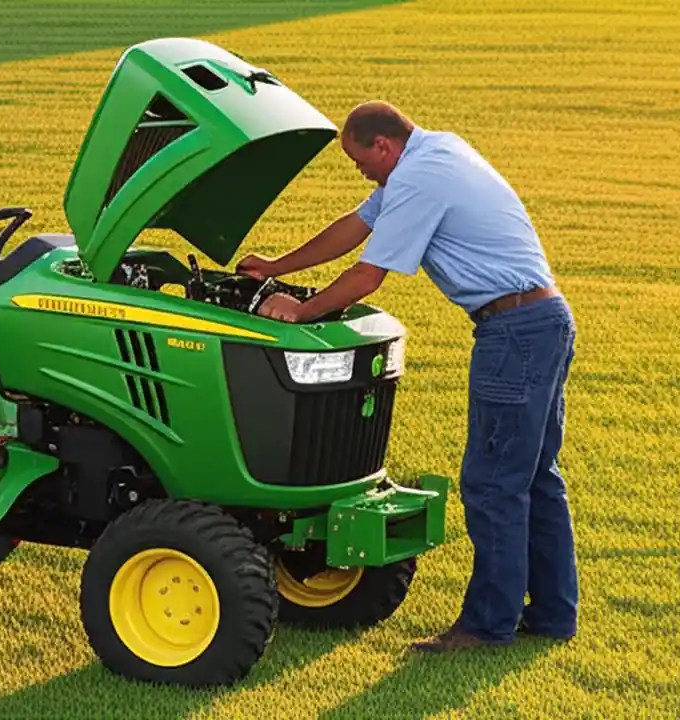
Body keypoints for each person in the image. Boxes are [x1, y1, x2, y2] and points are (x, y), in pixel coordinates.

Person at [237, 101, 578, 650]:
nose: (361, 172)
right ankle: (554, 616)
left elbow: (369, 275)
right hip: (542, 321)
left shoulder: (420, 176)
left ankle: (487, 627)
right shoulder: (438, 150)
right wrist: (276, 267)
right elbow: (354, 226)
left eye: (360, 161)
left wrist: (301, 310)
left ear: (383, 147)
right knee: (535, 477)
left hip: (514, 331)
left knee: (494, 484)